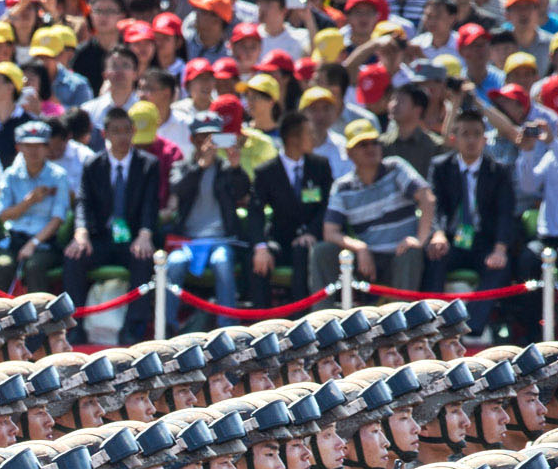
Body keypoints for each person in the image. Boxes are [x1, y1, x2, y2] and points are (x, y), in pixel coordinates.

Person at [63, 106, 163, 343]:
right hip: (101, 238)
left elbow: (151, 203)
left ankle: (133, 329)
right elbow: (83, 202)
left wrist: (145, 234)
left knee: (143, 257)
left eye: (126, 131)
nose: (122, 137)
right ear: (105, 133)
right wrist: (81, 233)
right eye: (116, 131)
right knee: (73, 257)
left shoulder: (148, 164)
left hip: (134, 238)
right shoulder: (93, 165)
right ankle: (74, 326)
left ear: (133, 132)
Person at [424, 107, 517, 338]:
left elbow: (506, 212)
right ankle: (432, 324)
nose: (471, 140)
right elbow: (435, 205)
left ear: (485, 139)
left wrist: (500, 249)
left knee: (500, 266)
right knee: (434, 256)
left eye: (477, 134)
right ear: (454, 138)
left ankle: (471, 326)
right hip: (452, 238)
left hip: (484, 241)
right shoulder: (441, 167)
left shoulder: (499, 171)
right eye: (465, 134)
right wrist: (437, 234)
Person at [315, 118, 433, 294]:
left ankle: (404, 320)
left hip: (400, 255)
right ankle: (324, 316)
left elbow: (427, 198)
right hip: (367, 262)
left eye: (374, 143)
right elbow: (330, 232)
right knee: (322, 251)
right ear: (349, 153)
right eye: (363, 145)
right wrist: (360, 248)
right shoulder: (342, 187)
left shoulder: (395, 167)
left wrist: (419, 240)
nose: (371, 149)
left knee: (411, 253)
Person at [165, 111, 257, 328]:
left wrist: (235, 167)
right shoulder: (183, 166)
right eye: (201, 137)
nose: (206, 142)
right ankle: (168, 325)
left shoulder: (226, 169)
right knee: (174, 263)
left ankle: (228, 326)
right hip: (187, 240)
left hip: (220, 240)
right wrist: (201, 167)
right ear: (192, 140)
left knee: (222, 261)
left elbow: (243, 192)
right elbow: (178, 188)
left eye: (212, 137)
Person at [252, 108, 333, 303]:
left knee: (302, 252)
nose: (314, 138)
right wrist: (261, 247)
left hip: (310, 239)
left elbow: (328, 205)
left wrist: (312, 233)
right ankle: (260, 319)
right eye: (309, 134)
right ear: (293, 138)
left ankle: (300, 318)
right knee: (261, 258)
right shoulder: (266, 171)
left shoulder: (320, 166)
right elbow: (256, 211)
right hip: (280, 238)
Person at [0, 119, 70, 293]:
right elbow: (2, 214)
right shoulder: (10, 175)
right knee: (1, 265)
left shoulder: (58, 176)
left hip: (45, 242)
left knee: (35, 266)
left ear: (47, 148)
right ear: (18, 147)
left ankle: (39, 318)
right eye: (28, 145)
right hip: (13, 239)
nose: (33, 151)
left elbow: (58, 219)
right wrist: (29, 202)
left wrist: (33, 243)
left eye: (39, 146)